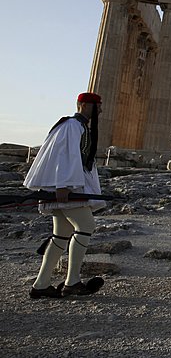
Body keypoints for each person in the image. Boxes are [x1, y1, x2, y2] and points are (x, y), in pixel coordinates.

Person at [24, 92, 107, 299]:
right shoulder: (71, 126)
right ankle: (72, 282)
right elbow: (64, 155)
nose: (101, 110)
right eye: (98, 106)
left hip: (68, 187)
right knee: (86, 226)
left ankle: (41, 285)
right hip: (68, 188)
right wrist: (63, 186)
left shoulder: (79, 127)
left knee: (61, 234)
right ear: (84, 105)